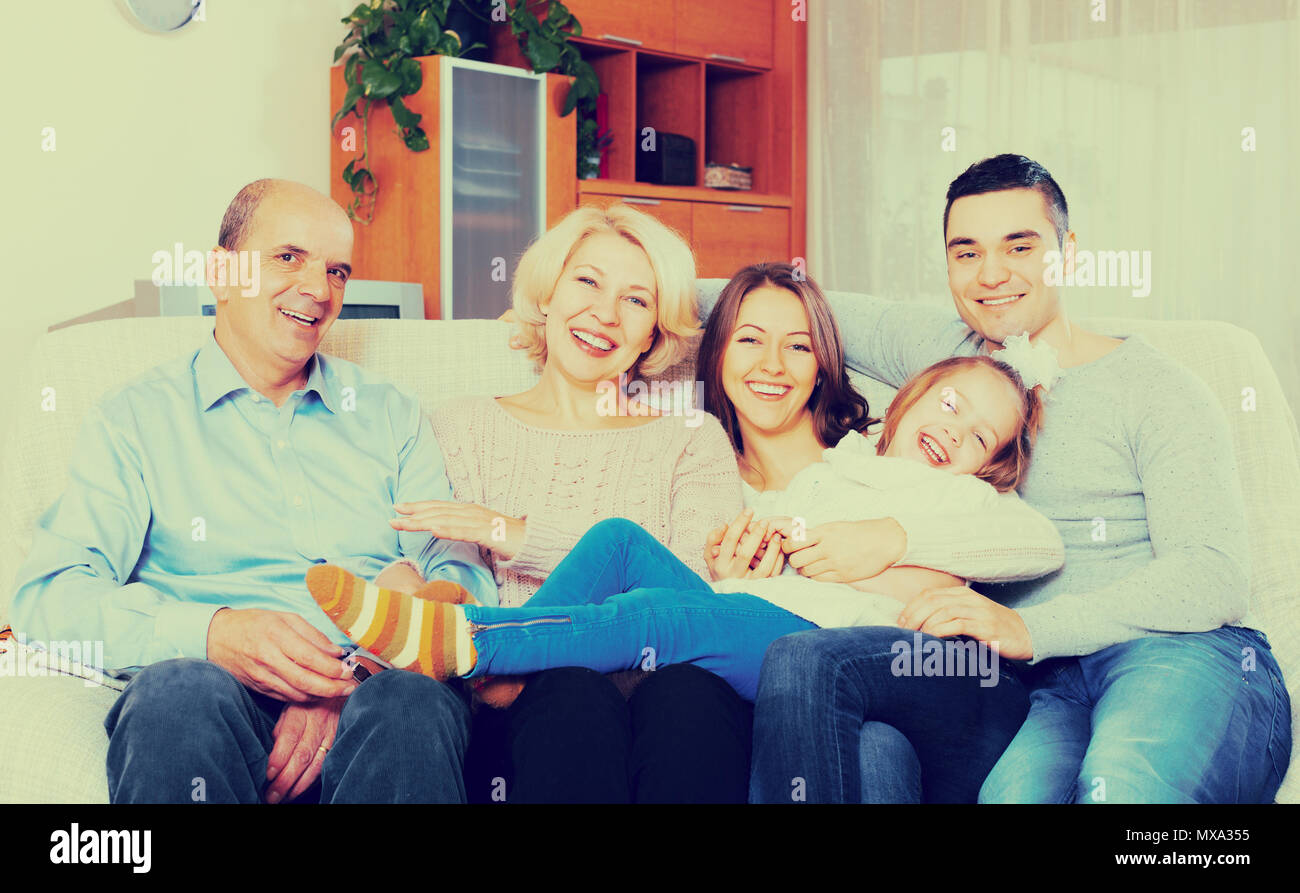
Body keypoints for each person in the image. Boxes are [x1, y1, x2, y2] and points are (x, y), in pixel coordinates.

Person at [306, 264, 1061, 756]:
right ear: (909, 400)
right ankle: (503, 678)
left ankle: (469, 641)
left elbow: (1033, 541)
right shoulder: (845, 460)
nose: (953, 432)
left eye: (978, 436)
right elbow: (749, 544)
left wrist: (889, 541)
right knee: (619, 542)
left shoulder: (959, 494)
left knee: (660, 615)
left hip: (821, 644)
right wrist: (733, 557)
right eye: (949, 405)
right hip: (750, 614)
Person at [733, 154, 1291, 803]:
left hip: (1176, 652)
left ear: (1067, 253)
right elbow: (775, 301)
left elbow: (1212, 575)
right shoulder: (951, 356)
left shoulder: (1159, 387)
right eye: (966, 253)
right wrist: (635, 300)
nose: (991, 274)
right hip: (1043, 686)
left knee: (1127, 788)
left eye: (1018, 247)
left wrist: (1033, 629)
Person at [9, 179, 496, 804]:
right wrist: (212, 633)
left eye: (338, 272)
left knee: (410, 705)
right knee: (173, 696)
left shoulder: (391, 413)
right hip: (211, 692)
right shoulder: (133, 419)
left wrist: (357, 673)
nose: (319, 291)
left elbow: (461, 577)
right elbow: (50, 596)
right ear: (220, 273)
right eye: (288, 258)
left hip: (374, 690)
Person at [363, 204, 752, 803]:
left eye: (636, 300)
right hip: (517, 721)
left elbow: (691, 598)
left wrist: (516, 534)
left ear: (655, 330)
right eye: (587, 281)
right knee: (571, 689)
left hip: (664, 712)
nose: (605, 314)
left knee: (693, 695)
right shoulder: (461, 428)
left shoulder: (692, 438)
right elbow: (443, 595)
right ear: (546, 294)